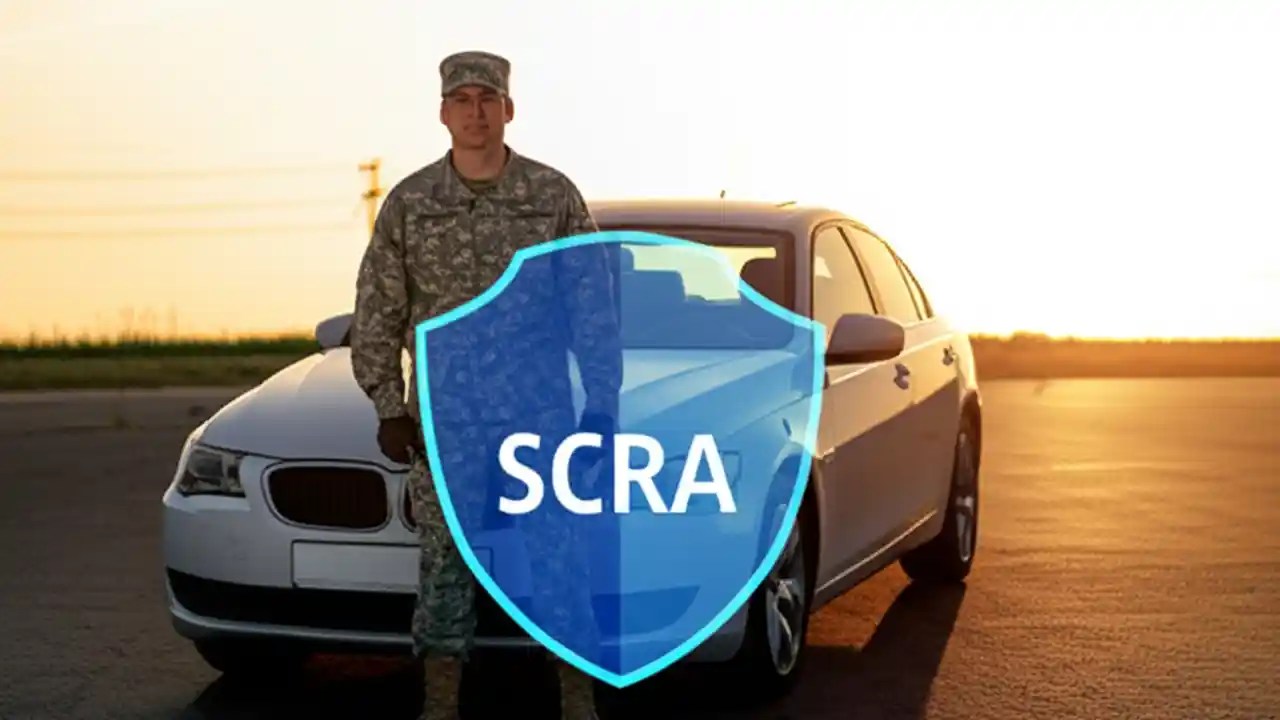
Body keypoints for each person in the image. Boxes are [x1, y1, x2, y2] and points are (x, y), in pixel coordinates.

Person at [350, 50, 622, 720]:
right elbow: (377, 310)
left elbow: (593, 307)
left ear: (508, 109)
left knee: (559, 558)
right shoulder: (411, 205)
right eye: (462, 100)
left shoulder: (551, 197)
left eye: (487, 100)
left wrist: (602, 406)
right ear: (443, 113)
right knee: (443, 564)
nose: (475, 113)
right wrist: (388, 404)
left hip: (540, 419)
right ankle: (441, 704)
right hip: (448, 424)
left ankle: (576, 699)